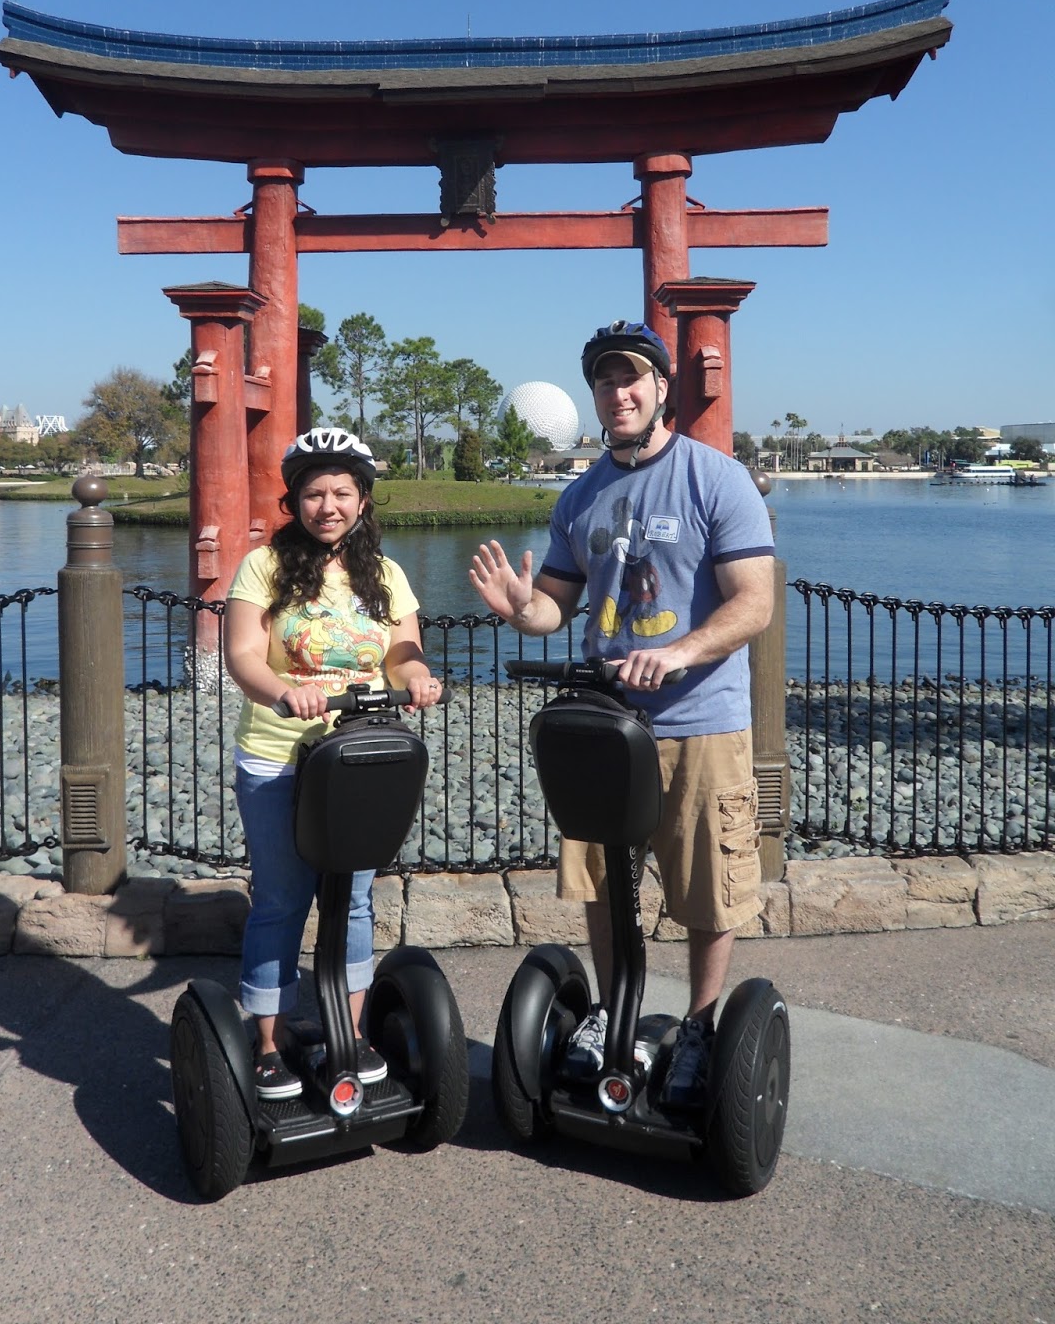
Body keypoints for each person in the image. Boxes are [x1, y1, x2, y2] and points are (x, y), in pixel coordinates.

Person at [469, 322, 774, 1106]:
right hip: (607, 723)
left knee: (708, 886)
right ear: (595, 396)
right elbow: (555, 608)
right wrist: (519, 608)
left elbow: (754, 604)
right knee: (606, 887)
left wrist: (679, 652)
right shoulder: (581, 495)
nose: (620, 393)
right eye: (606, 382)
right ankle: (612, 1016)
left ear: (662, 386)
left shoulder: (717, 480)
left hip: (699, 719)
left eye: (633, 378)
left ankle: (703, 1027)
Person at [224, 426, 444, 1102]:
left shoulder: (387, 574)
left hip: (356, 759)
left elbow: (401, 650)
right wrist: (286, 690)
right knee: (283, 899)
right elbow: (243, 655)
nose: (329, 506)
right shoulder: (263, 567)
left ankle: (348, 1035)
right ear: (296, 501)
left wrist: (418, 677)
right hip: (279, 757)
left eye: (342, 493)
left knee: (350, 902)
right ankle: (268, 1041)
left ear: (363, 500)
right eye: (315, 493)